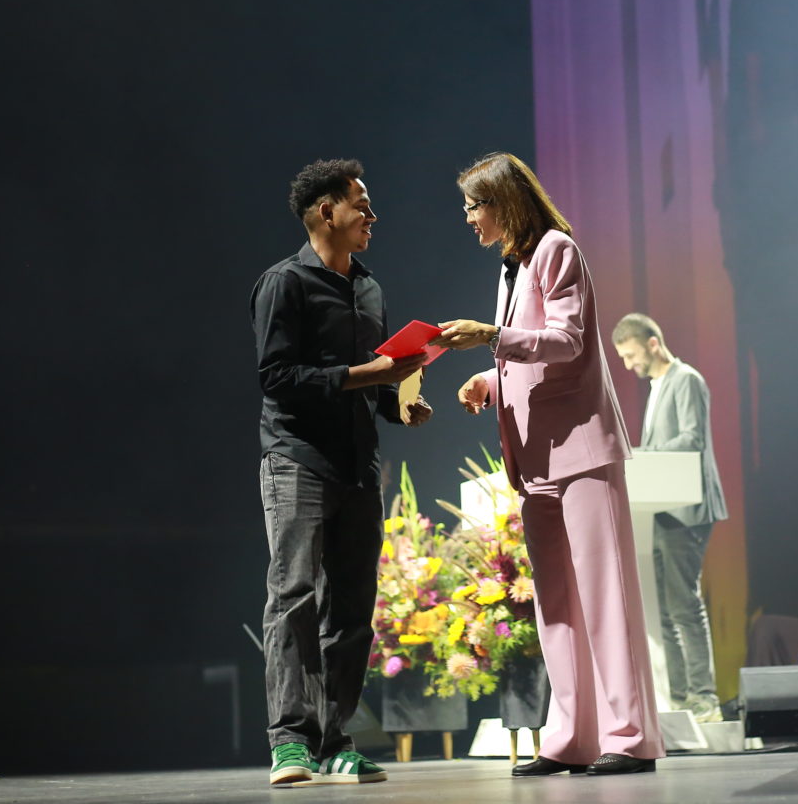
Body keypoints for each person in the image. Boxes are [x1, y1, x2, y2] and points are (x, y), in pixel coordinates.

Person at [430, 152, 664, 777]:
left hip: (581, 450)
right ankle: (570, 736)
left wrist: (490, 339)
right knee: (555, 604)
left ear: (504, 203)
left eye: (474, 205)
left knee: (604, 596)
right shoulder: (514, 266)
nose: (468, 218)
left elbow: (568, 341)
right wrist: (488, 378)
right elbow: (527, 356)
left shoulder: (556, 248)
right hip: (535, 460)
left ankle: (629, 734)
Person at [251, 158, 432, 786]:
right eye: (362, 205)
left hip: (359, 467)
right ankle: (289, 743)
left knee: (353, 609)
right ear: (326, 211)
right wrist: (369, 378)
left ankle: (335, 741)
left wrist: (400, 401)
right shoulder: (284, 284)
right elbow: (278, 379)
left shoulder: (370, 288)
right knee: (294, 598)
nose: (372, 217)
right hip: (297, 460)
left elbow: (376, 383)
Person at [611, 313, 729, 722]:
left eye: (630, 355)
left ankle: (704, 698)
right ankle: (679, 699)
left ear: (653, 344)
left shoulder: (687, 380)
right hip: (660, 508)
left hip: (687, 509)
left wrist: (641, 455)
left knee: (684, 605)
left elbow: (691, 438)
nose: (628, 365)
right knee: (662, 608)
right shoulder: (657, 387)